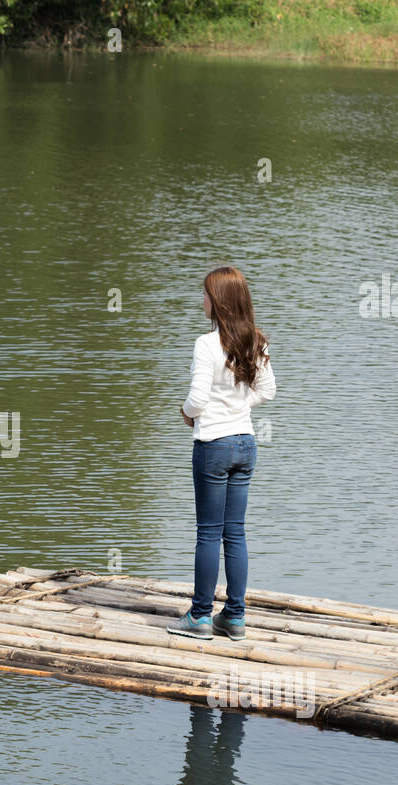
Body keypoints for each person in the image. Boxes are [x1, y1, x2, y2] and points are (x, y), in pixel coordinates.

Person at [168, 266, 275, 640]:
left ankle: (199, 616)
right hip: (246, 444)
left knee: (208, 534)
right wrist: (238, 404)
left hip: (213, 445)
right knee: (236, 533)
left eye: (206, 295)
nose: (203, 301)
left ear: (220, 302)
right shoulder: (255, 340)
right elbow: (268, 391)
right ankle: (234, 617)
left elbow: (196, 400)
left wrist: (187, 413)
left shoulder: (205, 344)